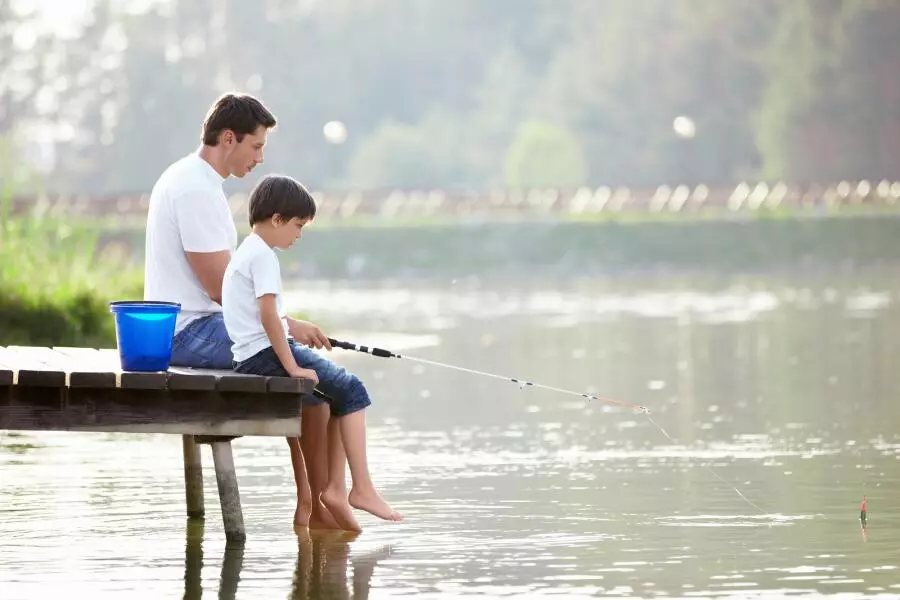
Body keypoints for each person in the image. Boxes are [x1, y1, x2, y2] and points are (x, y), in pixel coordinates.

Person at [143, 92, 338, 529]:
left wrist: (285, 328)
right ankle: (316, 504)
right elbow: (220, 289)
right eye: (256, 146)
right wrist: (286, 326)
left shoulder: (191, 179)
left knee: (303, 369)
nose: (260, 158)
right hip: (188, 332)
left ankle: (314, 501)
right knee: (309, 373)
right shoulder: (196, 188)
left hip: (192, 325)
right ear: (227, 138)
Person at [223, 173, 402, 529]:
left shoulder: (248, 251)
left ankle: (336, 490)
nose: (298, 234)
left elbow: (267, 318)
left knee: (335, 396)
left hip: (251, 355)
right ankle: (361, 488)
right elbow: (269, 318)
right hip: (265, 356)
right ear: (276, 219)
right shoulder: (263, 257)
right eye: (297, 226)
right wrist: (291, 366)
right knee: (353, 389)